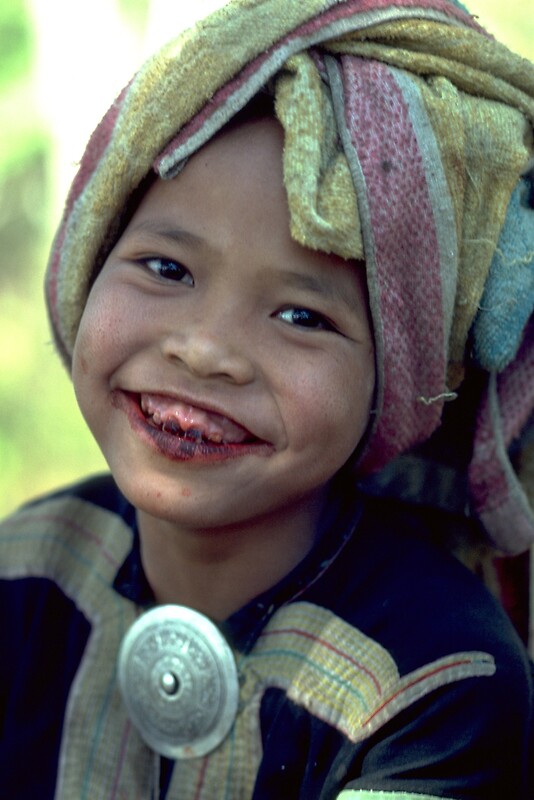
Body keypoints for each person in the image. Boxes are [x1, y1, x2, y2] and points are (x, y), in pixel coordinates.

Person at [1, 0, 533, 797]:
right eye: (167, 269)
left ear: (396, 381)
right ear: (90, 256)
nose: (205, 349)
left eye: (302, 316)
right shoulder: (26, 569)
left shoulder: (438, 680)